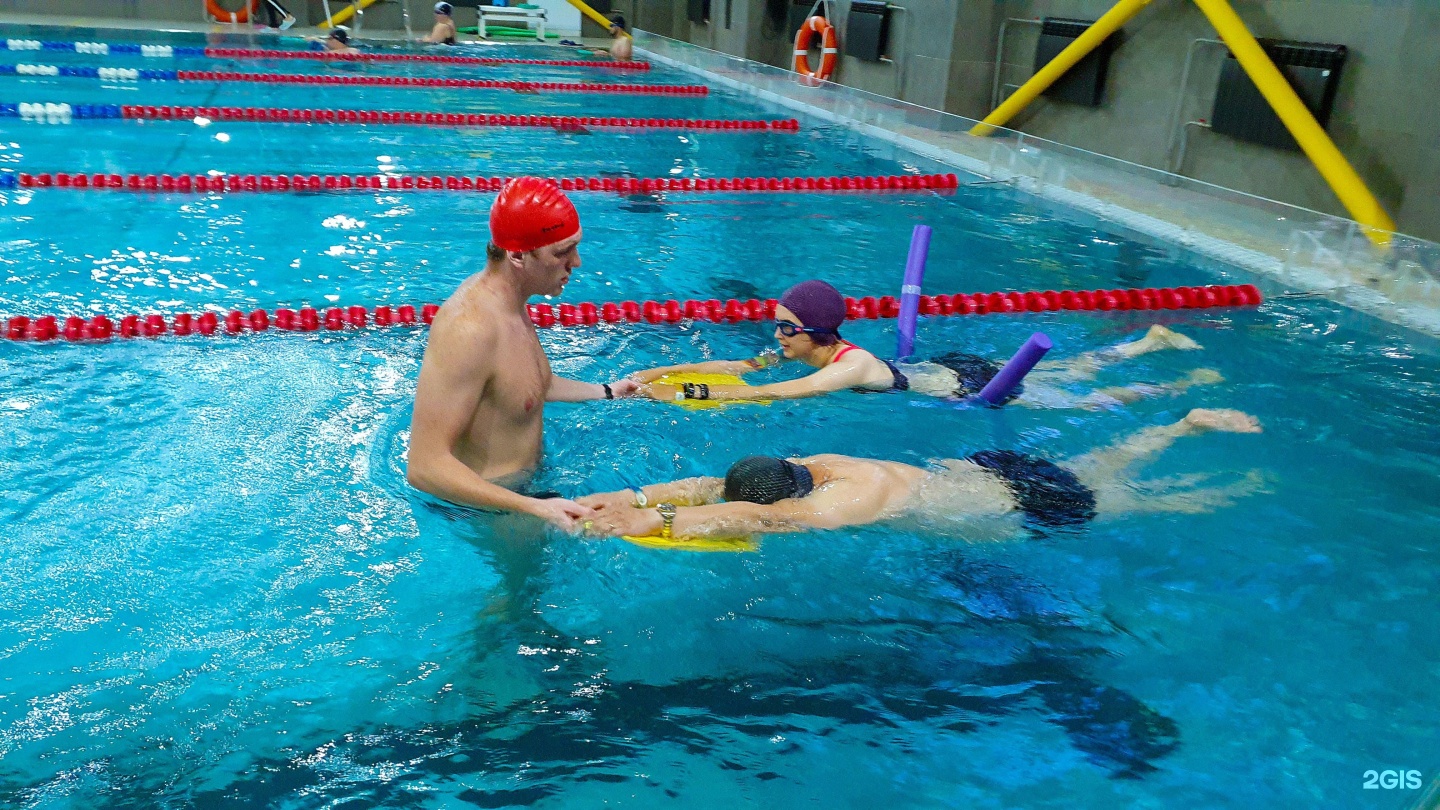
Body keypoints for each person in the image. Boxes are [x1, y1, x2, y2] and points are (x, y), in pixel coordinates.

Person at [580, 408, 1266, 541]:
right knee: (1100, 468)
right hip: (989, 471)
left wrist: (646, 522)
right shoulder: (817, 466)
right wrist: (625, 496)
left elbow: (758, 516)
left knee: (1153, 503)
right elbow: (717, 487)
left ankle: (1253, 489)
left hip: (1017, 507)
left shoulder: (837, 507)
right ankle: (1177, 427)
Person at [407, 177, 640, 528]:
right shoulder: (469, 328)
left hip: (525, 496)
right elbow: (424, 466)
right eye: (561, 253)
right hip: (491, 515)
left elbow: (525, 386)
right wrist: (533, 508)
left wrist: (606, 391)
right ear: (517, 255)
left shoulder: (511, 302)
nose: (576, 263)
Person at [629, 279, 1221, 410]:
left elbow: (776, 394)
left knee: (1078, 398)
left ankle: (1179, 385)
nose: (774, 336)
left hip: (964, 387)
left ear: (815, 332)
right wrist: (654, 375)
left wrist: (689, 396)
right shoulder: (798, 348)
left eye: (785, 327)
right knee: (1063, 373)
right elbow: (738, 365)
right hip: (946, 369)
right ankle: (1144, 345)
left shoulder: (851, 365)